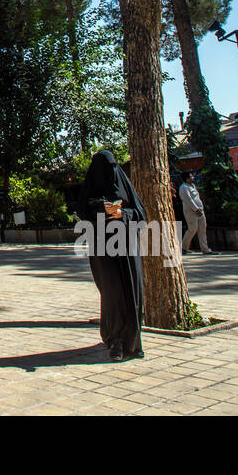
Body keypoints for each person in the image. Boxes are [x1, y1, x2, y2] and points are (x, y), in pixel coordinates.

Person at [76, 150, 145, 361]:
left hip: (128, 247)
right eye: (105, 169)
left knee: (132, 292)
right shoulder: (91, 191)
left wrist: (120, 213)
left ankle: (133, 341)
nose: (110, 172)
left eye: (113, 167)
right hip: (103, 249)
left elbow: (140, 213)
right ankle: (115, 340)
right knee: (113, 292)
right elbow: (83, 212)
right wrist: (103, 211)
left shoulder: (126, 187)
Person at [179, 171, 213, 254]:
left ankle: (205, 248)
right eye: (191, 177)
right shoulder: (183, 187)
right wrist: (196, 209)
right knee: (192, 229)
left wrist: (199, 209)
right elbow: (188, 200)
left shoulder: (192, 186)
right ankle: (184, 247)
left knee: (202, 229)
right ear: (186, 179)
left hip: (200, 211)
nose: (192, 178)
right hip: (191, 211)